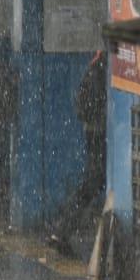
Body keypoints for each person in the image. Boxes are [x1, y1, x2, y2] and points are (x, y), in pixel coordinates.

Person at [47, 51, 108, 257]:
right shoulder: (103, 65)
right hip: (100, 131)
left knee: (92, 181)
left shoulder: (97, 64)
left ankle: (61, 228)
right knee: (93, 181)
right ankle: (62, 229)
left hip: (95, 130)